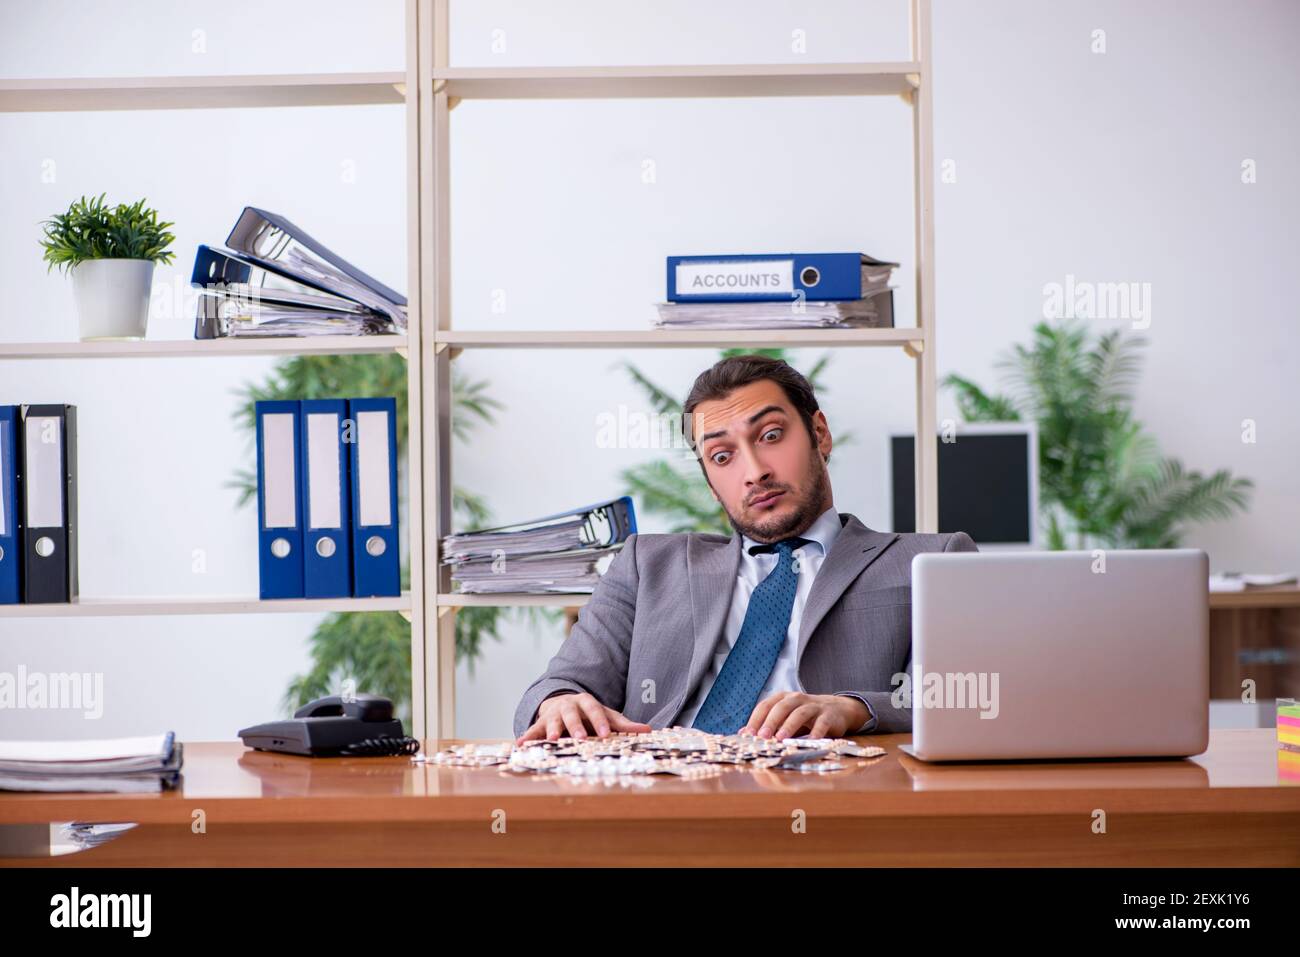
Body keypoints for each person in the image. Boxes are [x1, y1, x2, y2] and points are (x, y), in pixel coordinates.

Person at [514, 354, 977, 743]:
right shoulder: (646, 564)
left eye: (771, 436)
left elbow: (963, 697)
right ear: (711, 482)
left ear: (820, 434)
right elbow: (560, 685)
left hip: (832, 802)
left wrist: (853, 708)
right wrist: (559, 703)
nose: (754, 471)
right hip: (666, 801)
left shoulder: (927, 561)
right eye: (722, 455)